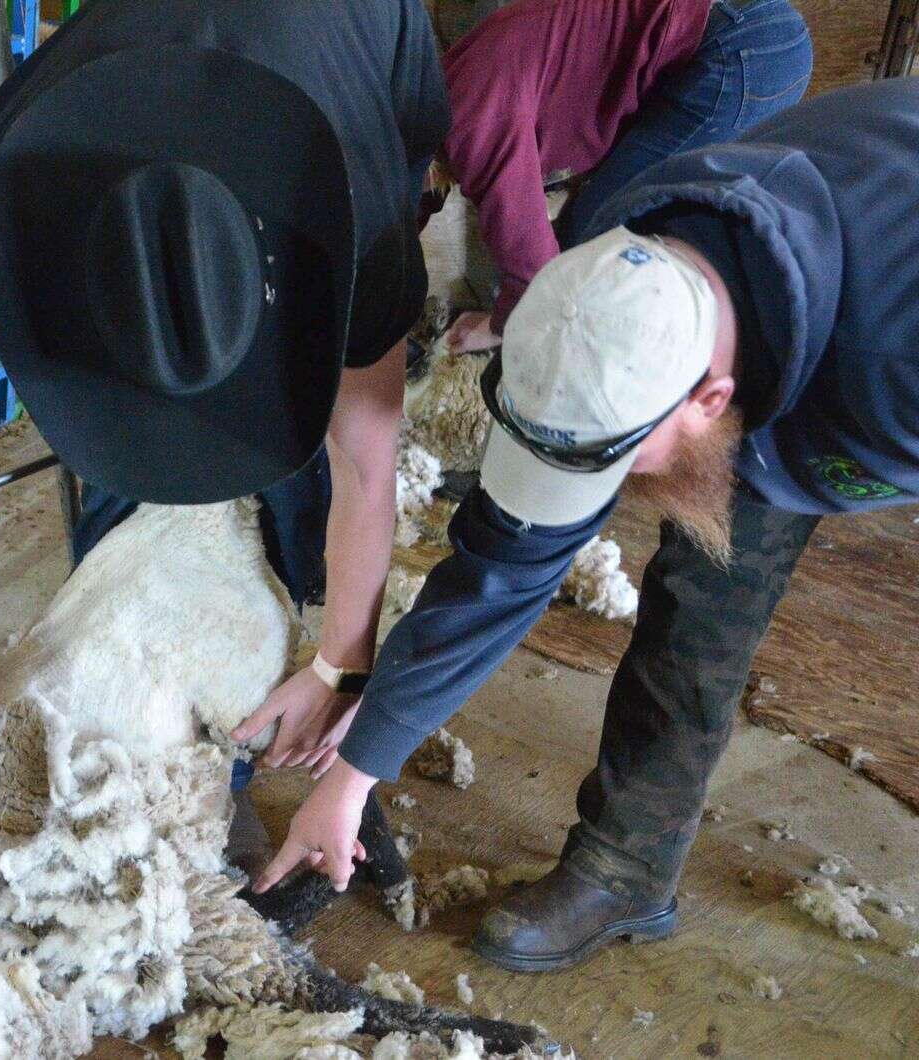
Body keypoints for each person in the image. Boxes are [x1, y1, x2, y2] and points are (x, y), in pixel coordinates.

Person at [253, 78, 919, 972]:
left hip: (881, 337)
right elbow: (509, 562)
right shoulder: (625, 261)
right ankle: (629, 870)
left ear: (710, 398)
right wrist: (352, 774)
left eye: (613, 456)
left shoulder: (896, 365)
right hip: (808, 316)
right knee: (701, 590)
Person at [0, 0, 450, 870]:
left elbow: (365, 467)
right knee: (125, 463)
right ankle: (163, 728)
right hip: (142, 96)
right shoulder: (22, 166)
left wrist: (341, 673)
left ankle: (303, 719)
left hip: (358, 56)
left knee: (304, 473)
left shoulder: (357, 229)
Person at [435, 0, 812, 355]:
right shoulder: (452, 77)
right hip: (757, 33)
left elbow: (534, 267)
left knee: (595, 236)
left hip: (739, 50)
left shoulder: (473, 114)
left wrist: (499, 327)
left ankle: (584, 378)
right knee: (606, 228)